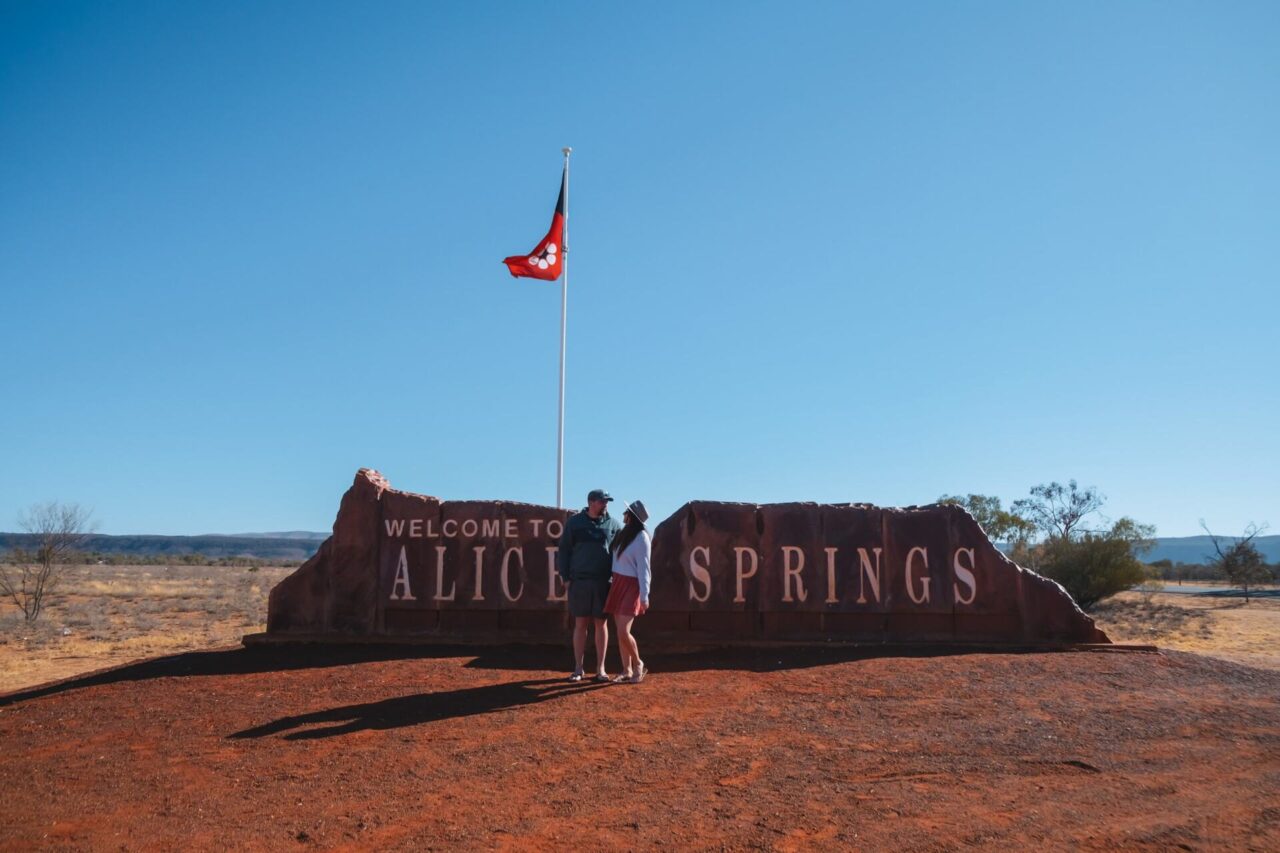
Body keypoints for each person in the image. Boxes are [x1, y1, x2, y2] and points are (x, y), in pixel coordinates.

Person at [556, 488, 622, 682]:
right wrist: (565, 578)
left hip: (603, 582)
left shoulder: (614, 525)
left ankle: (600, 669)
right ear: (591, 502)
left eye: (607, 502)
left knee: (601, 624)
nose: (606, 505)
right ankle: (578, 668)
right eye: (603, 501)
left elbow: (621, 553)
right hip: (580, 582)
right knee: (580, 624)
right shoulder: (574, 523)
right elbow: (564, 551)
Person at [604, 499, 651, 683]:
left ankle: (638, 663)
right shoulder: (625, 534)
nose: (623, 514)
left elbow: (644, 569)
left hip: (632, 585)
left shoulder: (642, 537)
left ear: (631, 516)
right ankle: (626, 670)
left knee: (623, 630)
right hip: (618, 582)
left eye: (626, 511)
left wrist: (645, 595)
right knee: (620, 630)